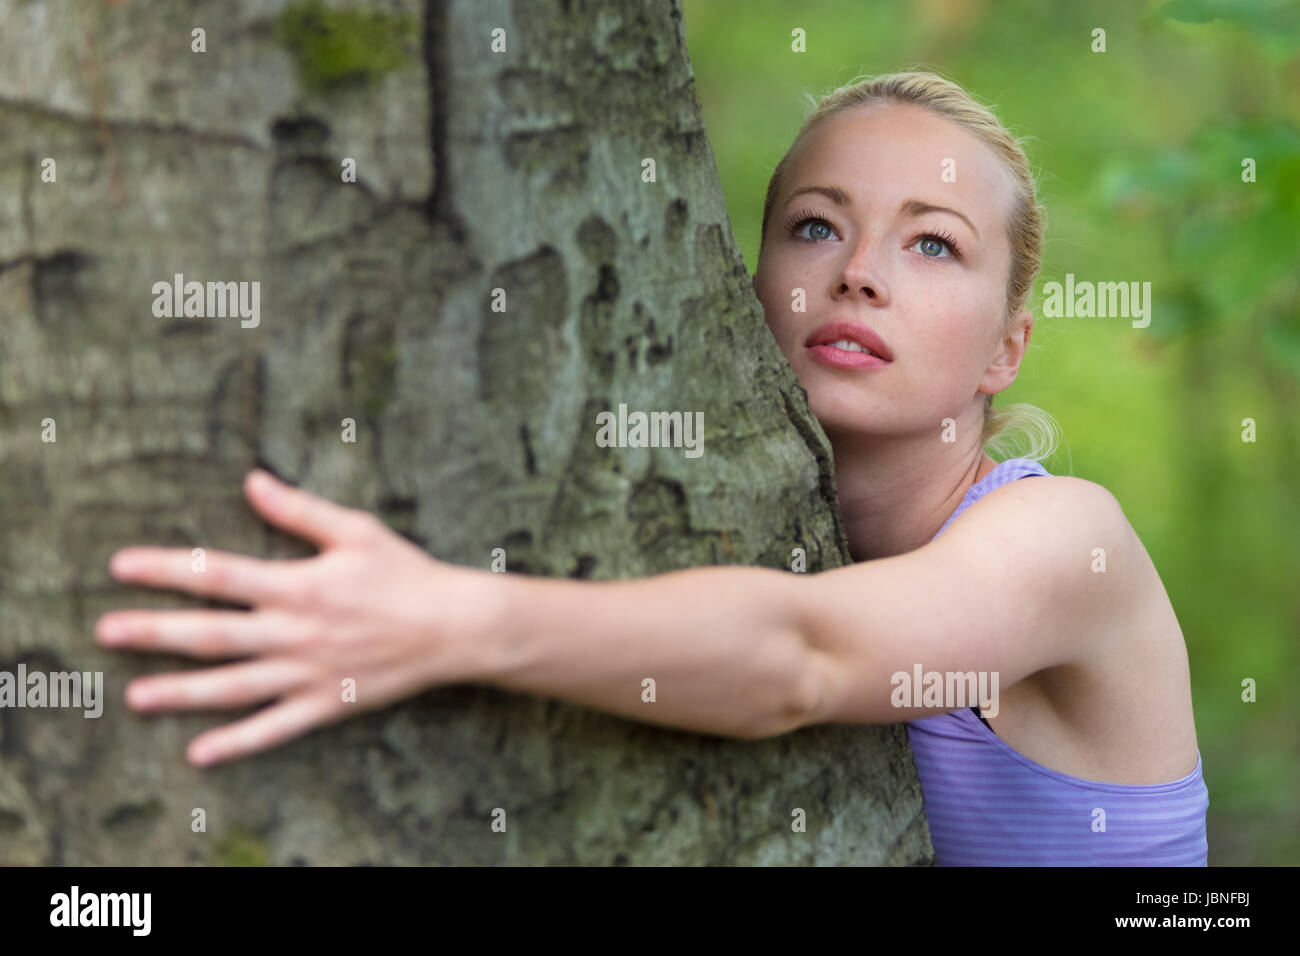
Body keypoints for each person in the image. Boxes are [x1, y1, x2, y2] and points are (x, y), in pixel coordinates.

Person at [95, 71, 1207, 865]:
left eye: (932, 243)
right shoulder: (754, 522)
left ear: (1006, 349)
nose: (860, 272)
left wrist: (443, 619)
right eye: (816, 227)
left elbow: (802, 659)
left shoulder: (1070, 539)